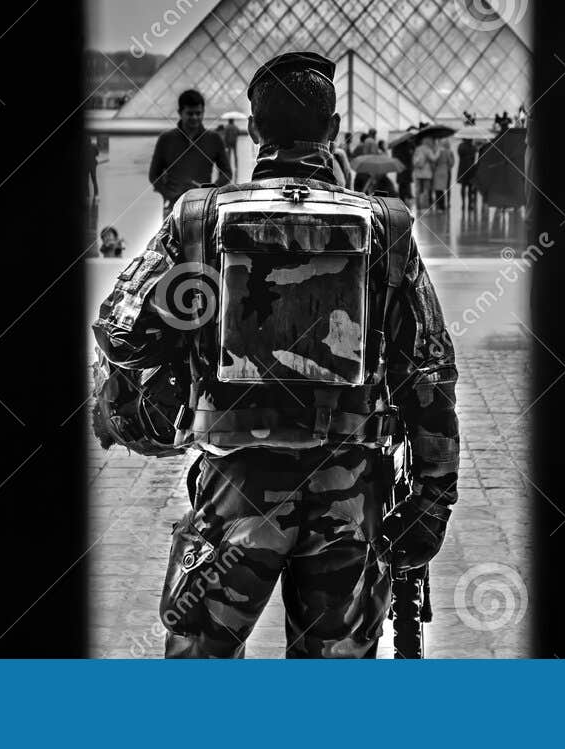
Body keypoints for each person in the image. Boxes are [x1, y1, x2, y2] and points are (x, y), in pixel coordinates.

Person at [94, 50, 458, 658]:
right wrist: (432, 497)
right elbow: (427, 372)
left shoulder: (200, 219)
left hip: (235, 483)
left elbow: (123, 331)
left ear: (254, 130)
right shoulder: (386, 226)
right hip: (350, 488)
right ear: (334, 129)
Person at [148, 89, 232, 223]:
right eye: (190, 113)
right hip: (173, 208)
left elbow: (227, 173)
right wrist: (168, 194)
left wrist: (210, 190)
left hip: (204, 207)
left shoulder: (214, 139)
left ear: (203, 112)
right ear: (180, 113)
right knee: (172, 243)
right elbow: (153, 175)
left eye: (198, 113)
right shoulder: (166, 139)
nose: (195, 117)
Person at [430, 136, 454, 212]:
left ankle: (440, 206)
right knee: (445, 188)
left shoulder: (437, 151)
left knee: (438, 189)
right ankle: (445, 204)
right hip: (446, 171)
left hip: (437, 171)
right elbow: (451, 162)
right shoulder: (449, 152)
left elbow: (434, 161)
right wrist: (448, 167)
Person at [456, 137, 478, 215]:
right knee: (470, 187)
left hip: (462, 168)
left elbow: (459, 154)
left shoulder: (461, 146)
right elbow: (475, 158)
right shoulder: (473, 147)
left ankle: (463, 204)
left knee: (463, 186)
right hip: (471, 169)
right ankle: (469, 204)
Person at [411, 137, 433, 209]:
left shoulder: (417, 149)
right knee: (426, 190)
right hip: (426, 173)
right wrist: (438, 150)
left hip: (418, 173)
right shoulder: (428, 149)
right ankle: (425, 206)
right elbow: (433, 159)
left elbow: (414, 160)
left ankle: (418, 206)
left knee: (418, 190)